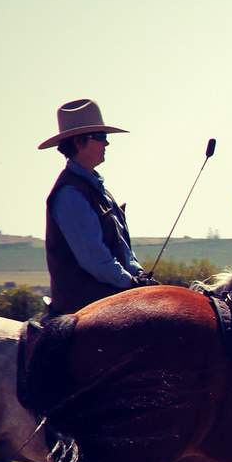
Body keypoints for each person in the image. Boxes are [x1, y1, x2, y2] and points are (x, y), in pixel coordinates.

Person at [38, 98, 152, 317]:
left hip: (109, 298)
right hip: (83, 308)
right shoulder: (70, 193)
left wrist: (139, 275)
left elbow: (123, 251)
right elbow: (95, 260)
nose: (106, 144)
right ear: (80, 142)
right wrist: (131, 284)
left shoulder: (98, 189)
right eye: (101, 137)